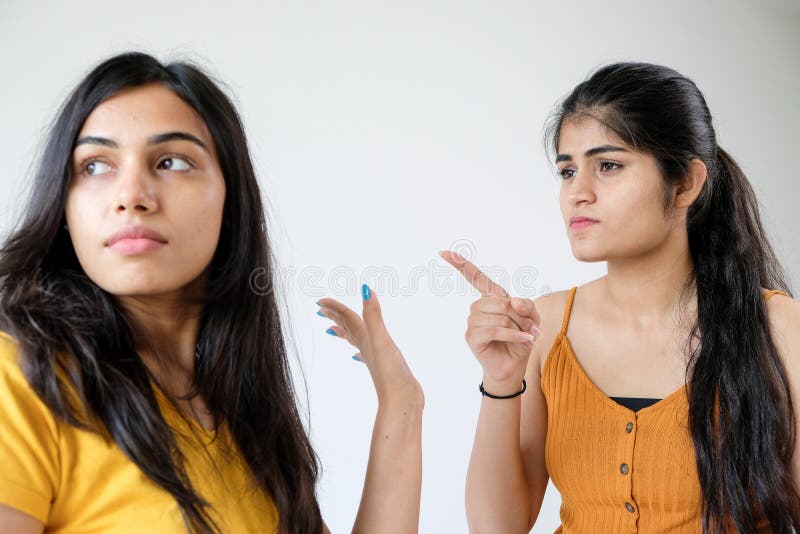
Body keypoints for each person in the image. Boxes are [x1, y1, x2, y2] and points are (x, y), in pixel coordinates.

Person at [0, 52, 423, 534]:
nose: (131, 194)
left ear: (231, 197)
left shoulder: (244, 420)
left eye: (172, 161)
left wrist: (402, 402)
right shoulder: (20, 377)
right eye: (95, 166)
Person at [441, 62, 800, 532]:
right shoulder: (544, 327)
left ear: (686, 183)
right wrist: (501, 381)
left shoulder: (777, 326)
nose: (577, 193)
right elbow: (497, 527)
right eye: (567, 171)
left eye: (608, 166)